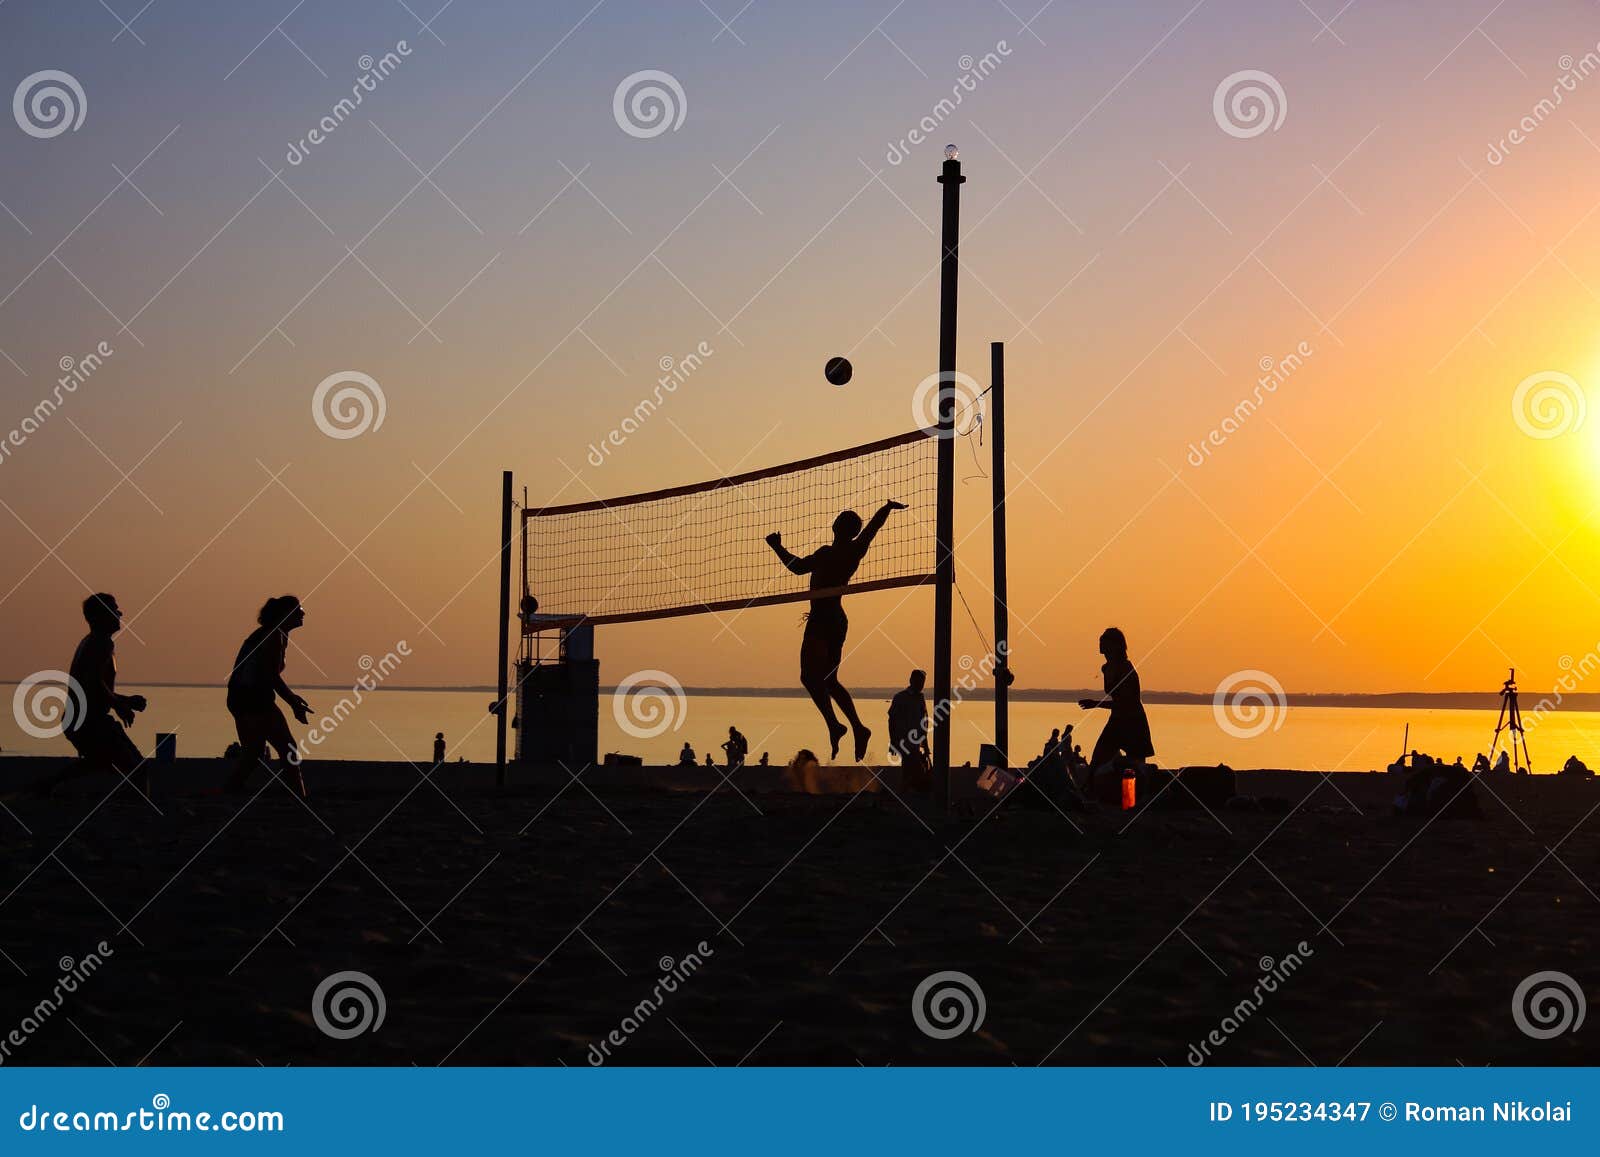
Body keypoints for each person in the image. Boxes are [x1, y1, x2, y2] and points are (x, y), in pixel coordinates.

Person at [766, 500, 906, 760]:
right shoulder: (851, 550)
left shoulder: (833, 553)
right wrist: (886, 509)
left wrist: (777, 546)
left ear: (836, 527)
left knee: (810, 678)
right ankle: (857, 728)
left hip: (823, 619)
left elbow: (796, 567)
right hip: (836, 620)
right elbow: (872, 529)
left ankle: (835, 725)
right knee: (828, 680)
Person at [30, 594, 150, 798]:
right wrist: (119, 705)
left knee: (99, 761)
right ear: (99, 617)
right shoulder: (100, 644)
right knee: (136, 769)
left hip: (80, 719)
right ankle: (139, 806)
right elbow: (93, 682)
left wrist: (124, 700)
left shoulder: (94, 643)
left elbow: (93, 687)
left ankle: (46, 786)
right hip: (89, 721)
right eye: (113, 610)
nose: (119, 613)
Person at [225, 596, 312, 799]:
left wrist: (293, 701)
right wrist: (292, 702)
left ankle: (229, 790)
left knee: (253, 752)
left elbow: (269, 675)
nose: (303, 613)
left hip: (239, 697)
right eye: (299, 609)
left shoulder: (272, 634)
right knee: (287, 749)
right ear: (285, 614)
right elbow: (270, 675)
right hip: (253, 699)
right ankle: (299, 796)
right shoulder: (273, 636)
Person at [1077, 627, 1154, 788]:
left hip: (1133, 720)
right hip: (1117, 720)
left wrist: (1095, 704)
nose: (1101, 644)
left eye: (1105, 641)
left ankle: (1136, 797)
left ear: (1116, 645)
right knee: (1098, 758)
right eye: (1101, 640)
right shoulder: (1106, 668)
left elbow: (1126, 702)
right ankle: (1089, 791)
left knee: (1137, 767)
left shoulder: (1125, 669)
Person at [887, 669, 931, 793]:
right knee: (913, 767)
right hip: (903, 741)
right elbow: (892, 721)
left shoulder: (921, 698)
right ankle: (905, 793)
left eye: (922, 682)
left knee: (909, 770)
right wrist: (893, 741)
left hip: (916, 743)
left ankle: (904, 792)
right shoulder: (900, 698)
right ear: (911, 681)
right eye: (918, 681)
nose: (920, 685)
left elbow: (924, 723)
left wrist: (925, 745)